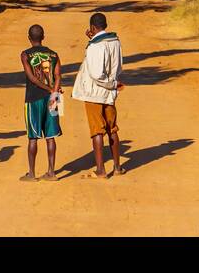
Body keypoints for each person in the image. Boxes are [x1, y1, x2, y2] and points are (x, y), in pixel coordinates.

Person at [72, 10, 124, 178]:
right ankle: (117, 167)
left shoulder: (95, 45)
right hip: (109, 94)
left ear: (92, 27)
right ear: (105, 26)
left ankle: (100, 170)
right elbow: (117, 65)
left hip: (95, 93)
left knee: (97, 131)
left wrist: (111, 84)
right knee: (112, 128)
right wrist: (113, 84)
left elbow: (96, 74)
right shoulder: (115, 41)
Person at [20, 24, 62, 180]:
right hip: (54, 98)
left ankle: (32, 173)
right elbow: (58, 76)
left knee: (33, 137)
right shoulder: (54, 54)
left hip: (33, 98)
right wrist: (54, 92)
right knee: (50, 136)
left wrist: (48, 89)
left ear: (29, 38)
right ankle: (51, 172)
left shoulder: (25, 55)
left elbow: (31, 77)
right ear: (43, 37)